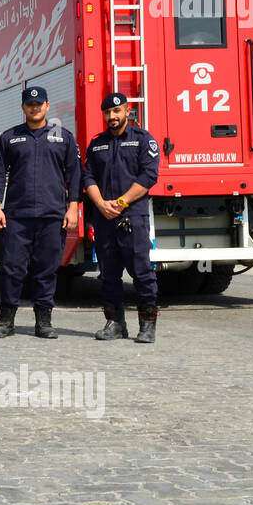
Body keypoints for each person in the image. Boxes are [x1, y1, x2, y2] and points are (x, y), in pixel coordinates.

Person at [0, 85, 81, 339]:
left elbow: (74, 175)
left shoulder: (63, 137)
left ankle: (44, 322)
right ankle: (6, 320)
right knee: (12, 269)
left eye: (39, 103)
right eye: (30, 104)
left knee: (46, 270)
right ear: (23, 108)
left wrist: (73, 207)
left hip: (52, 215)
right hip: (17, 216)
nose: (35, 107)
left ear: (47, 106)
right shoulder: (9, 138)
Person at [83, 92, 161, 343]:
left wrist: (122, 201)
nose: (112, 116)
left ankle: (147, 325)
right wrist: (100, 203)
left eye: (117, 111)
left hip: (132, 216)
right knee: (108, 274)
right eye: (107, 112)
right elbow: (88, 178)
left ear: (128, 111)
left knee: (142, 272)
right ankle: (115, 324)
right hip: (104, 216)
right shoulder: (97, 144)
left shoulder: (142, 140)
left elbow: (149, 177)